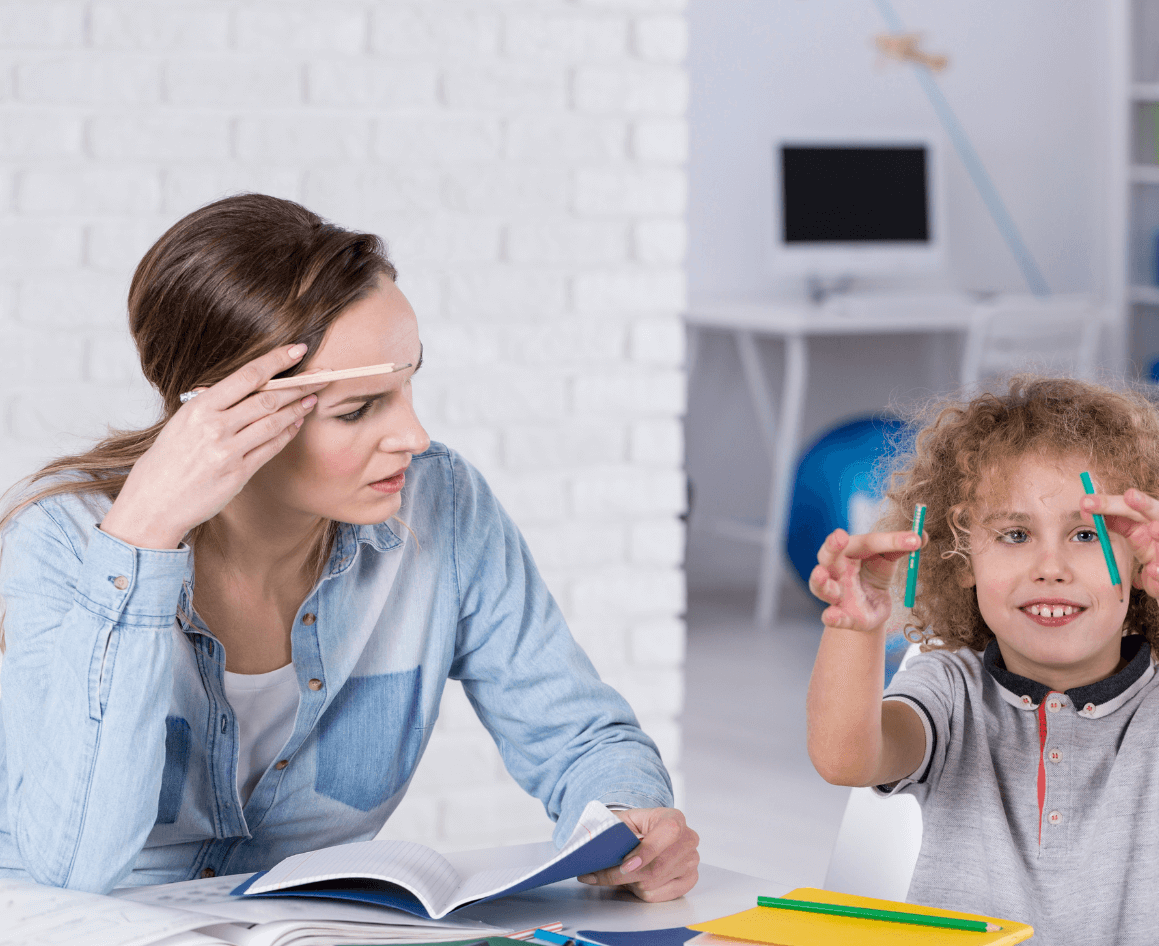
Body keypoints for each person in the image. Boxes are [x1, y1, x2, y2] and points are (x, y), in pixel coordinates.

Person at [0, 194, 698, 901]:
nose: (414, 436)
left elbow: (580, 734)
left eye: (406, 386)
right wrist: (144, 540)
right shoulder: (67, 542)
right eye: (357, 409)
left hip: (308, 943)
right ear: (223, 417)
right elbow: (73, 871)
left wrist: (625, 822)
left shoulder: (442, 506)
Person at [805, 376, 1159, 946]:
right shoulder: (950, 688)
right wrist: (858, 629)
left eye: (1086, 535)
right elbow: (845, 758)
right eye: (1013, 535)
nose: (1049, 567)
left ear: (1142, 559)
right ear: (963, 557)